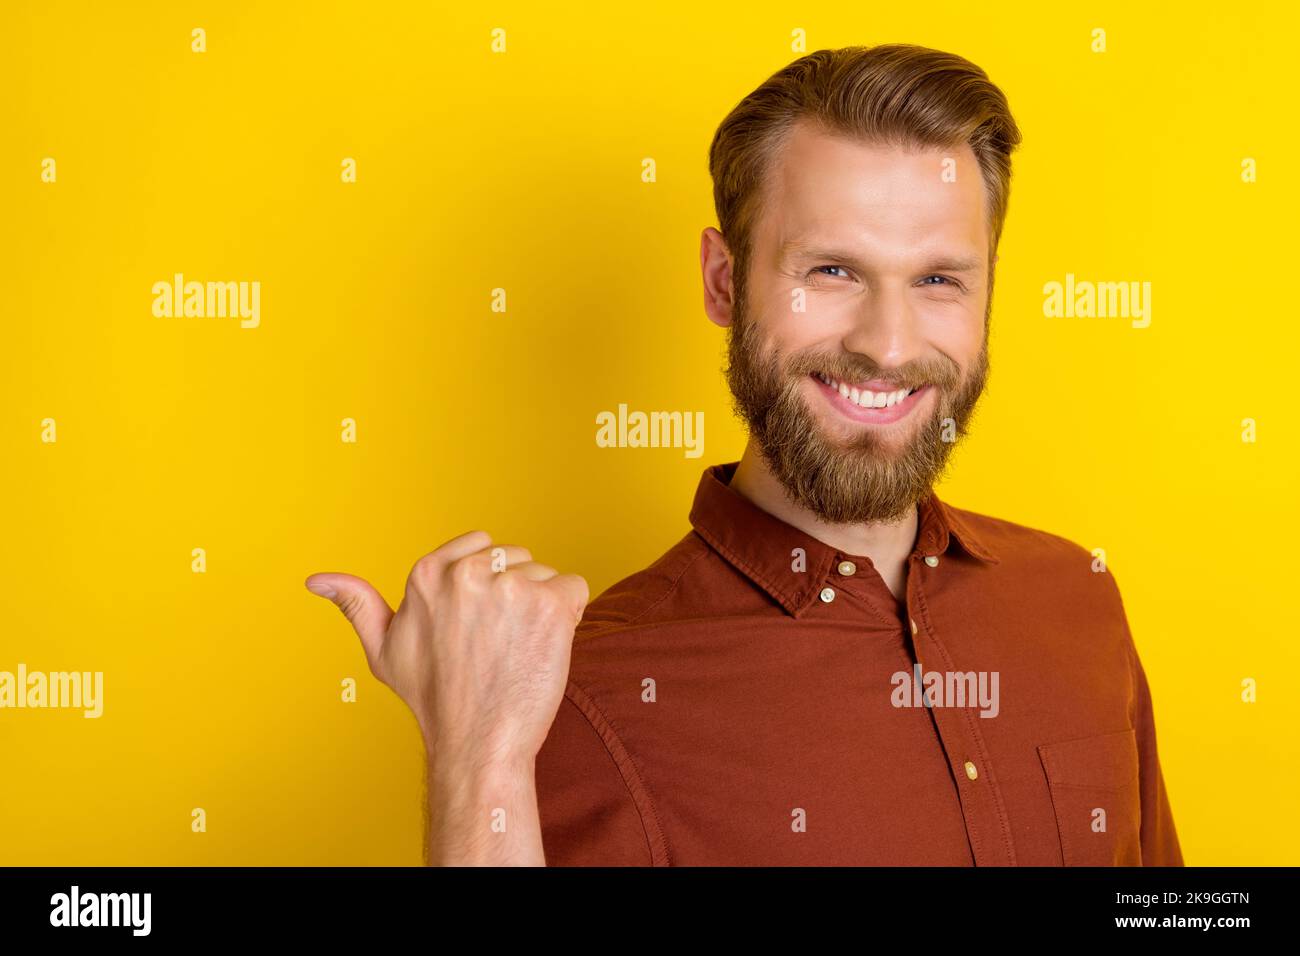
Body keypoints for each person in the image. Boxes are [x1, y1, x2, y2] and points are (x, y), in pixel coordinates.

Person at [306, 43, 1183, 866]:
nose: (886, 345)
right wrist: (480, 759)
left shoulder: (1079, 599)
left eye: (938, 279)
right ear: (725, 282)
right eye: (831, 272)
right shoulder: (570, 703)